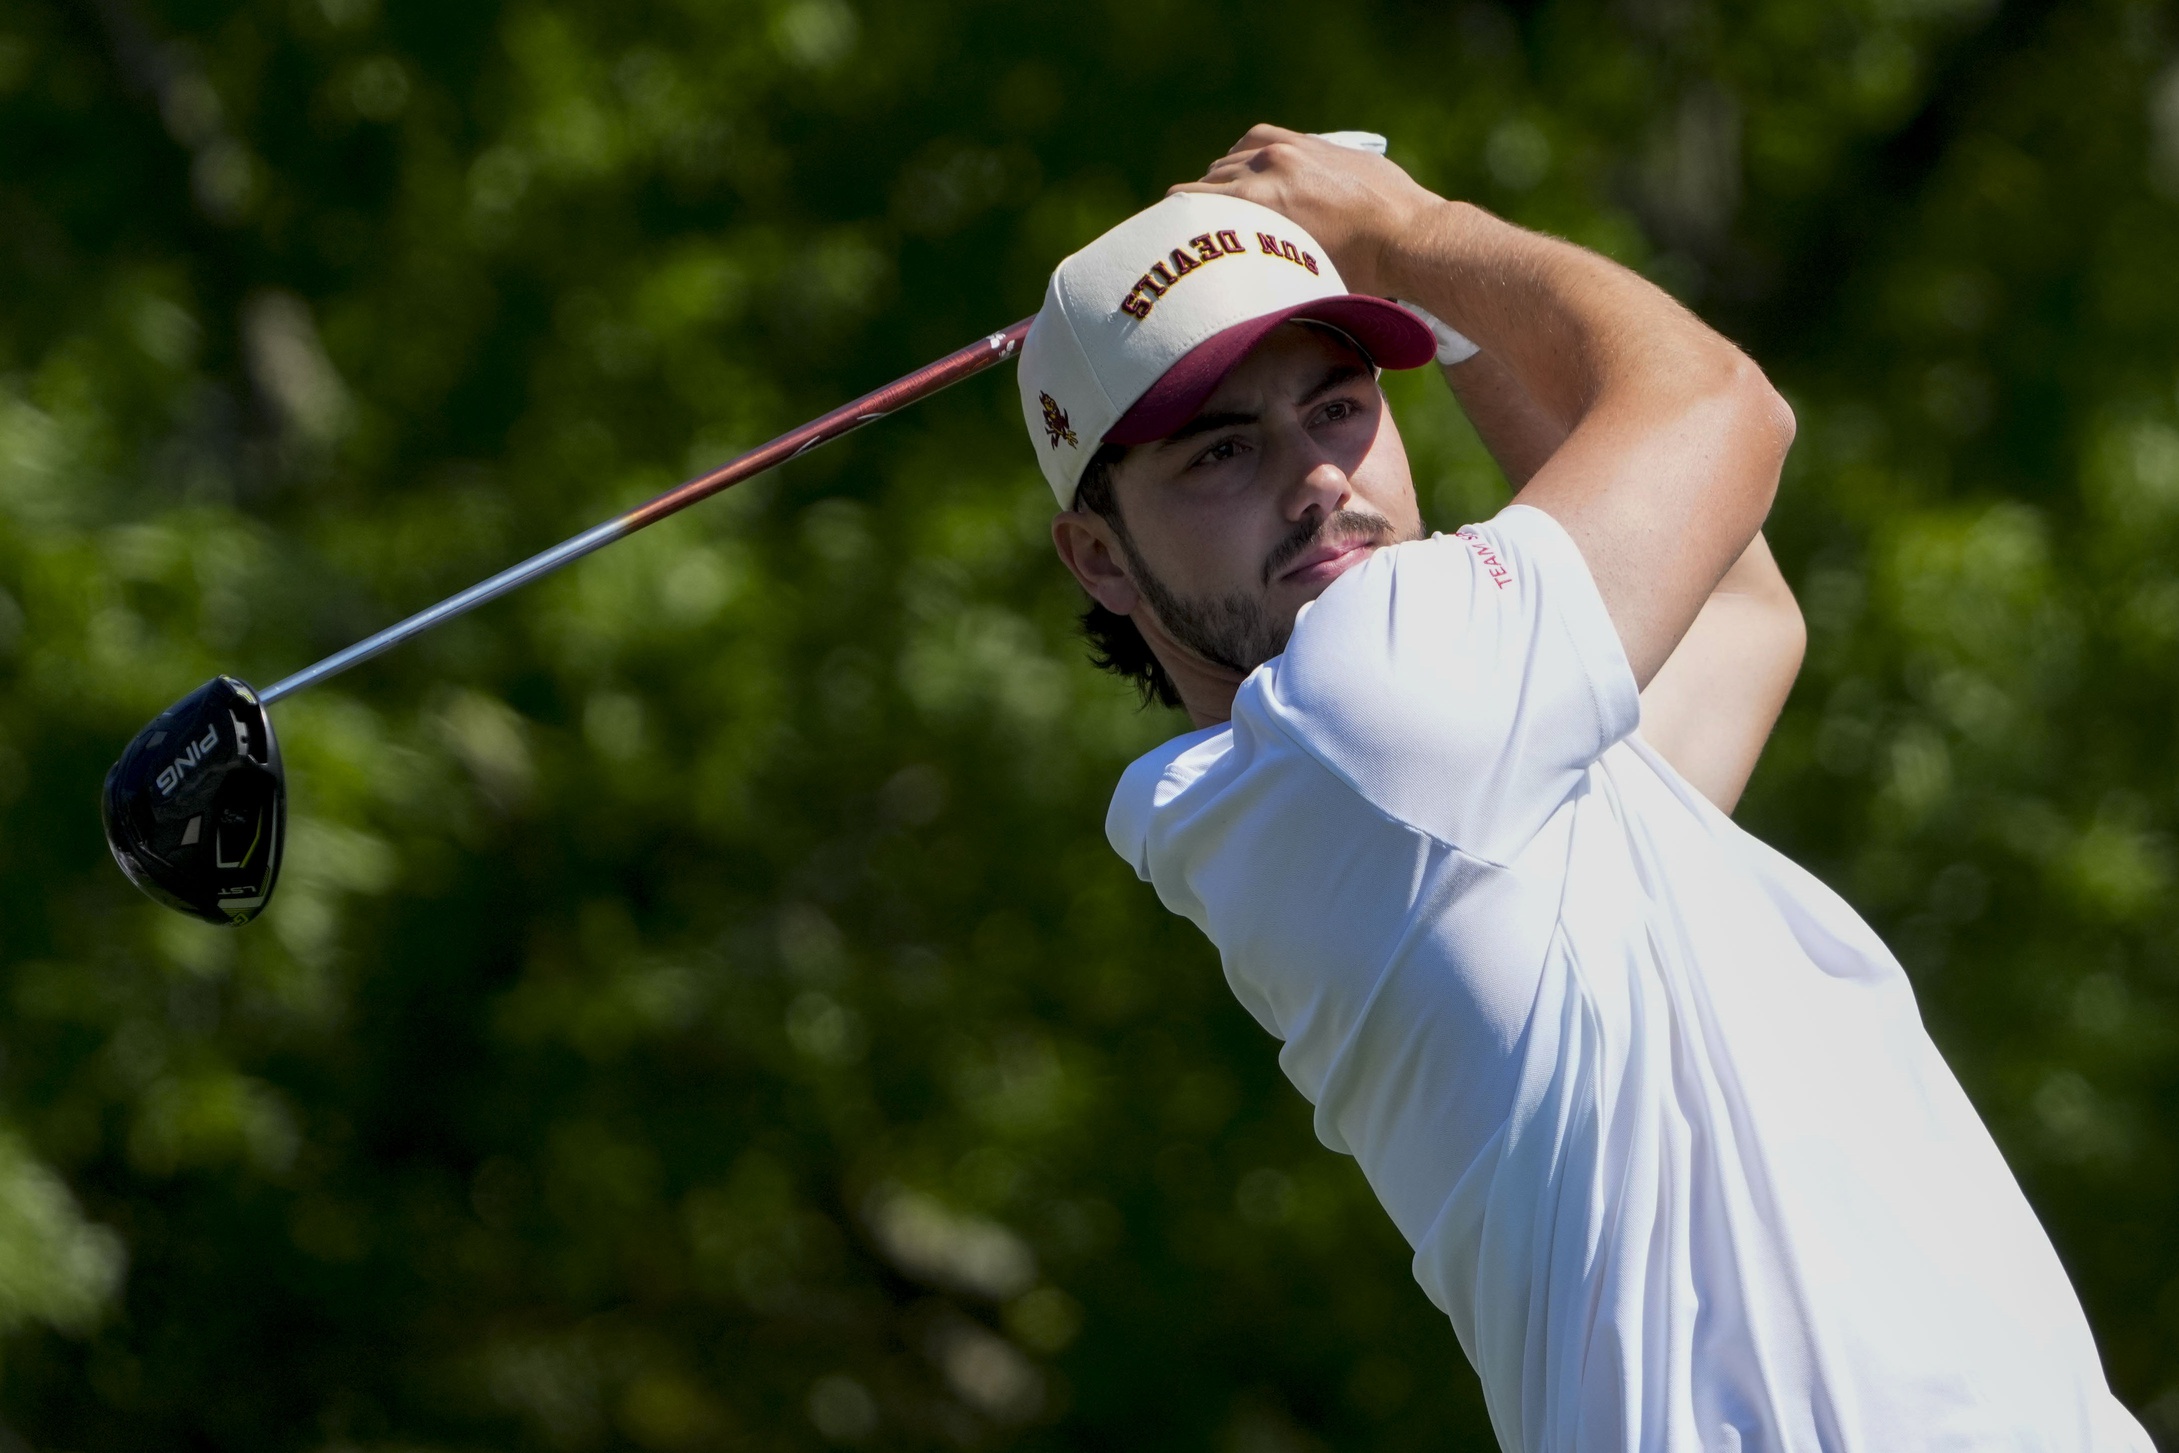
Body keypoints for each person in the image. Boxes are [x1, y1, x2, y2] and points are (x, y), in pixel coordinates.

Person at [1016, 125, 2151, 1452]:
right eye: (1218, 451)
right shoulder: (1367, 716)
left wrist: (1410, 268)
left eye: (1339, 405)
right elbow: (1728, 408)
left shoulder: (1449, 761)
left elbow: (1737, 606)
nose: (1318, 477)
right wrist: (1409, 227)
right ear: (1098, 556)